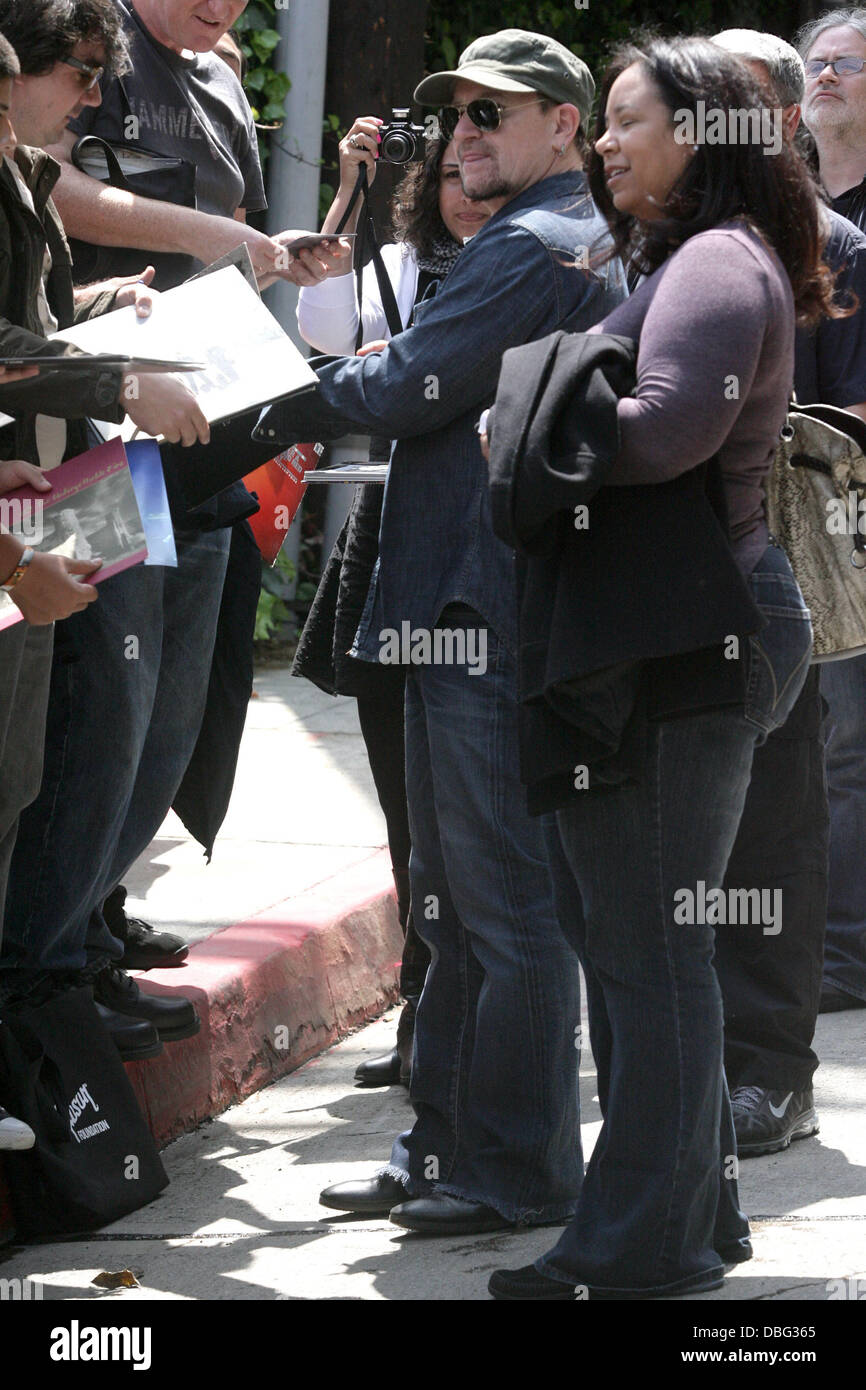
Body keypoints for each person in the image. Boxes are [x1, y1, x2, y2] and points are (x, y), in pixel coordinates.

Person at [254, 28, 627, 1237]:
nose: (464, 133)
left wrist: (241, 397)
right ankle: (448, 1148)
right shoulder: (538, 237)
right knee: (454, 904)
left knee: (499, 908)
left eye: (493, 113)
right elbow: (420, 369)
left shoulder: (535, 242)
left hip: (479, 610)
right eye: (454, 114)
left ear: (564, 123)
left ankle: (512, 1169)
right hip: (458, 606)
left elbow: (412, 379)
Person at [488, 35, 833, 1299]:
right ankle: (686, 1221)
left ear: (704, 134)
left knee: (647, 943)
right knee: (632, 934)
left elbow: (660, 434)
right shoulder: (699, 259)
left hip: (690, 648)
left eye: (626, 120)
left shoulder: (712, 266)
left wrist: (516, 402)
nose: (605, 142)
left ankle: (636, 1247)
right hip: (666, 639)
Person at [0, 0, 346, 1053]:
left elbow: (38, 317)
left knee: (118, 719)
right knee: (74, 720)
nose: (95, 100)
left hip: (78, 471)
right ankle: (39, 985)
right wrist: (117, 372)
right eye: (82, 78)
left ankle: (67, 961)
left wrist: (110, 310)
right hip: (51, 477)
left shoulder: (23, 171)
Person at [295, 130, 493, 1088]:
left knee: (478, 812)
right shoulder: (409, 258)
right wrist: (346, 196)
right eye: (449, 175)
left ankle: (468, 1019)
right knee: (410, 799)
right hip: (399, 539)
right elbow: (328, 335)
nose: (465, 192)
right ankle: (427, 1000)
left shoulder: (542, 260)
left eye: (480, 175)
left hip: (487, 548)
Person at [707, 29, 866, 1156]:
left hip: (792, 559)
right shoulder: (641, 241)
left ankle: (783, 1036)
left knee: (802, 780)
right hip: (666, 579)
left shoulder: (831, 246)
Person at [797, 7, 866, 1014]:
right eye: (812, 63)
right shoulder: (786, 206)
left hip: (845, 504)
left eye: (844, 64)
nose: (822, 77)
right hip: (786, 503)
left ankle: (845, 955)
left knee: (845, 737)